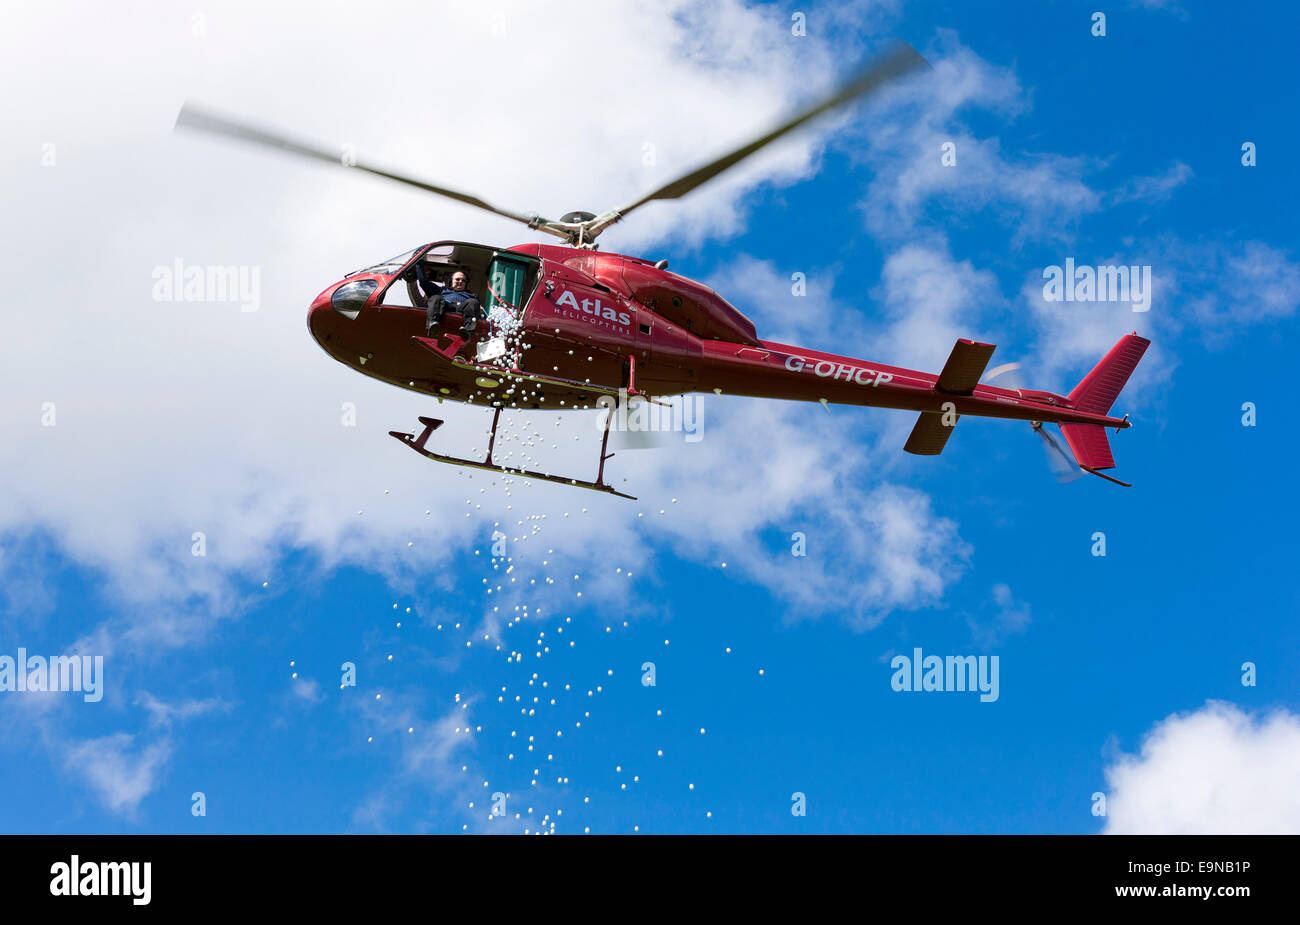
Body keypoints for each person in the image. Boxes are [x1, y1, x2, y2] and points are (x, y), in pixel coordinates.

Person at [414, 261, 483, 339]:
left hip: (462, 310)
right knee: (435, 297)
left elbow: (478, 310)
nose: (460, 282)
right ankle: (432, 325)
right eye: (457, 279)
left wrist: (479, 309)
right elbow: (423, 282)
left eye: (463, 280)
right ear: (451, 281)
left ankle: (468, 332)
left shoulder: (471, 296)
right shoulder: (442, 290)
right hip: (445, 307)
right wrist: (418, 263)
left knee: (473, 302)